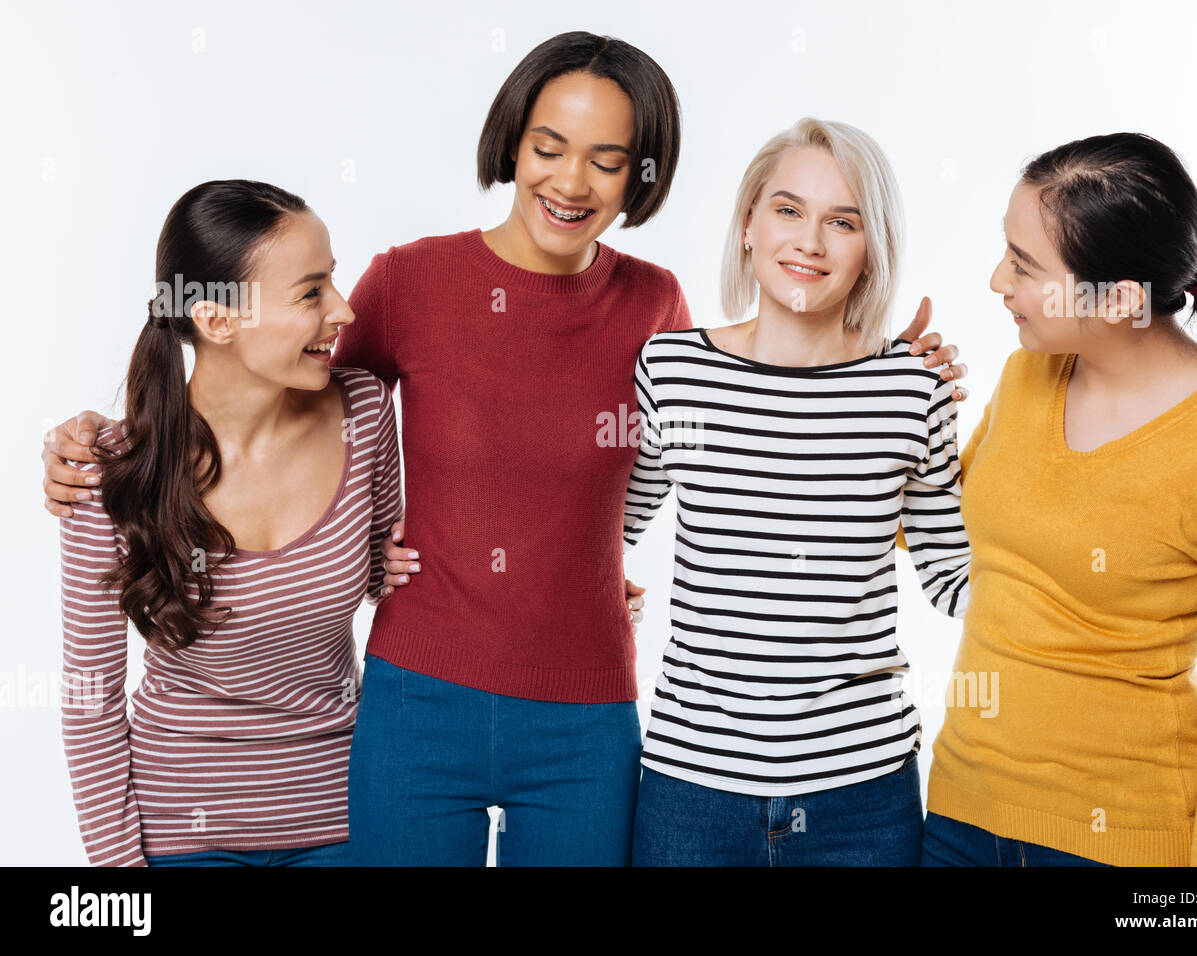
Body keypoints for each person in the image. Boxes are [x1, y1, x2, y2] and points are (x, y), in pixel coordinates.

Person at [43, 32, 968, 866]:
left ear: (639, 176)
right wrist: (108, 446)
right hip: (417, 700)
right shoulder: (409, 281)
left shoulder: (657, 310)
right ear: (512, 145)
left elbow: (727, 444)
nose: (571, 183)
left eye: (607, 162)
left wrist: (887, 375)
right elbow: (275, 389)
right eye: (548, 149)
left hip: (588, 714)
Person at [921, 132, 1197, 867]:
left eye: (1025, 265)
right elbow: (935, 530)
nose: (998, 281)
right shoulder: (1027, 376)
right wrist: (895, 405)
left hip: (1118, 848)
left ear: (1122, 299)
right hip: (958, 818)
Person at [621, 118, 970, 866]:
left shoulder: (913, 390)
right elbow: (605, 527)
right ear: (747, 224)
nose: (810, 242)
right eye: (787, 210)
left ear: (872, 247)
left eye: (842, 221)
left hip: (862, 795)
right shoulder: (673, 371)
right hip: (691, 787)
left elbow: (956, 576)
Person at [58, 179, 402, 866]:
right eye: (311, 293)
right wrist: (124, 874)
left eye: (331, 281)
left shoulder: (364, 410)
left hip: (344, 821)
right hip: (180, 836)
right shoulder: (106, 472)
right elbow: (89, 698)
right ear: (217, 321)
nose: (343, 311)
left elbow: (384, 579)